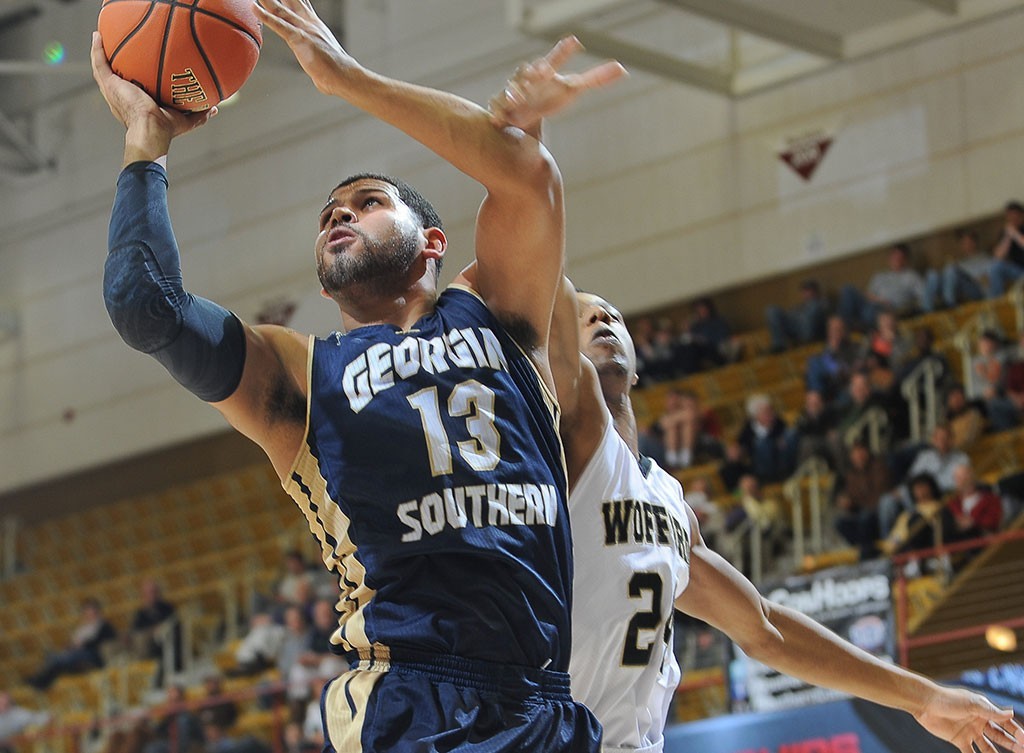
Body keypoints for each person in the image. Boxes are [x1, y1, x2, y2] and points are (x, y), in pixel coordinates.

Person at [91, 12, 624, 749]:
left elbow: (528, 178)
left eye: (368, 202)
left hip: (543, 706)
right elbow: (145, 304)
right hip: (409, 700)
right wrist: (145, 142)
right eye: (328, 216)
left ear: (433, 242)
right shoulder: (298, 374)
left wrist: (344, 77)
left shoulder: (499, 310)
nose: (340, 213)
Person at [492, 58, 1024, 753]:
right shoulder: (566, 443)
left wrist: (924, 697)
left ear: (641, 360)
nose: (599, 319)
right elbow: (534, 251)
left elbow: (765, 627)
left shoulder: (668, 503)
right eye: (583, 314)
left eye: (613, 315)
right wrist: (528, 133)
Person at [25, 597, 117, 690]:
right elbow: (74, 642)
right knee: (56, 663)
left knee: (58, 660)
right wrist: (71, 645)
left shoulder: (104, 626)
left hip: (91, 654)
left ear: (97, 611)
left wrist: (83, 644)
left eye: (91, 611)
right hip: (76, 653)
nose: (89, 614)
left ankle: (41, 679)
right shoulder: (82, 628)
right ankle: (41, 682)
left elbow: (103, 641)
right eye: (86, 612)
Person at [838, 243, 925, 331]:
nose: (895, 259)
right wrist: (878, 300)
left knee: (870, 311)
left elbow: (922, 295)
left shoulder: (911, 276)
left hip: (889, 309)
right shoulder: (880, 276)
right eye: (893, 256)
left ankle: (851, 326)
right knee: (847, 289)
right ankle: (843, 326)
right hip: (871, 304)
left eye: (899, 257)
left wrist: (908, 308)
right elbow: (868, 294)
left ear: (905, 260)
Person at [923, 228, 990, 310]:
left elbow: (987, 281)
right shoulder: (962, 261)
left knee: (951, 269)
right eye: (963, 243)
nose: (966, 245)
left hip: (977, 290)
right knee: (932, 274)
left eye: (968, 242)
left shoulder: (983, 258)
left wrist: (975, 279)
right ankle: (927, 310)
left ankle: (949, 304)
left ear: (974, 243)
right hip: (960, 291)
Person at [765, 278, 828, 353]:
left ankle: (804, 340)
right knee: (771, 310)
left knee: (813, 305)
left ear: (816, 291)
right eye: (804, 291)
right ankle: (779, 345)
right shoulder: (798, 307)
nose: (806, 293)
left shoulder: (822, 303)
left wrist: (814, 303)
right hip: (796, 330)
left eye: (808, 290)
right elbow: (790, 317)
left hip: (811, 332)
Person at [989, 200, 1024, 296]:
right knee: (996, 267)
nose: (1012, 218)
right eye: (1009, 216)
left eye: (1015, 215)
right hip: (1018, 271)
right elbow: (998, 256)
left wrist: (1015, 234)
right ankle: (998, 299)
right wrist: (1008, 237)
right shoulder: (1006, 233)